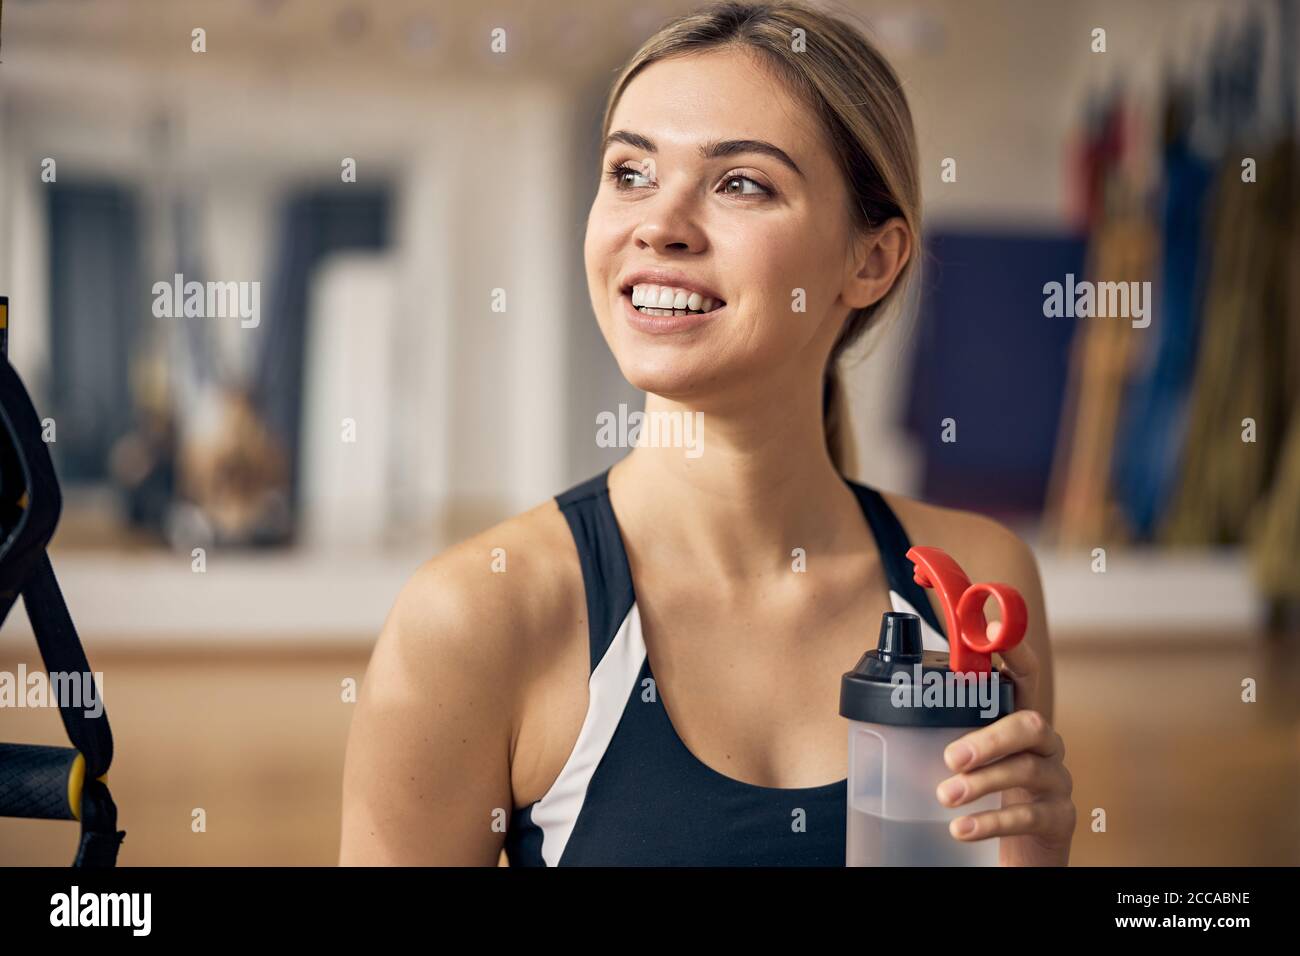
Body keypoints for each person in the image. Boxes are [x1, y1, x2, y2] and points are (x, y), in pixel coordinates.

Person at [339, 0, 1074, 866]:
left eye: (741, 183)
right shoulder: (474, 620)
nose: (659, 223)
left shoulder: (973, 587)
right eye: (630, 173)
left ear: (870, 260)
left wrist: (1034, 857)